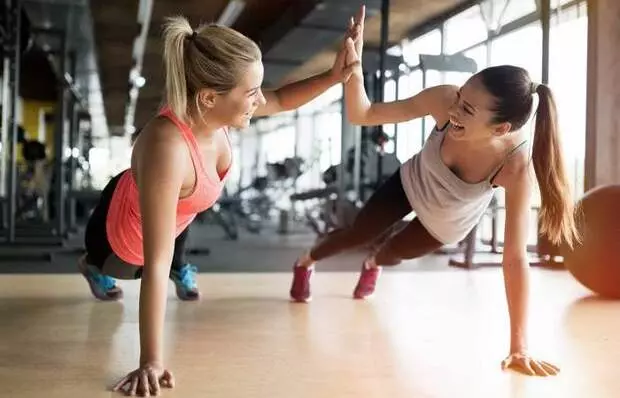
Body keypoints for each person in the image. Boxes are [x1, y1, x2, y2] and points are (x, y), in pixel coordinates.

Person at [76, 12, 362, 395]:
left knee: (176, 231)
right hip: (118, 235)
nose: (260, 99)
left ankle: (162, 257)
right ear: (209, 97)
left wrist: (334, 75)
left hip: (175, 206)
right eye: (251, 92)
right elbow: (156, 263)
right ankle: (91, 266)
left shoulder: (216, 109)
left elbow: (278, 99)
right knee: (134, 268)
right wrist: (151, 360)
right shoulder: (168, 147)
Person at [289, 10, 576, 378]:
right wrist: (354, 71)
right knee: (358, 232)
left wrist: (519, 346)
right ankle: (305, 261)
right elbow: (364, 114)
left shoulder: (515, 168)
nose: (453, 109)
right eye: (459, 96)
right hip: (411, 183)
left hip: (447, 221)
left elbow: (516, 258)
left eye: (467, 110)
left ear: (501, 127)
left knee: (389, 254)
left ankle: (372, 264)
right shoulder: (444, 101)